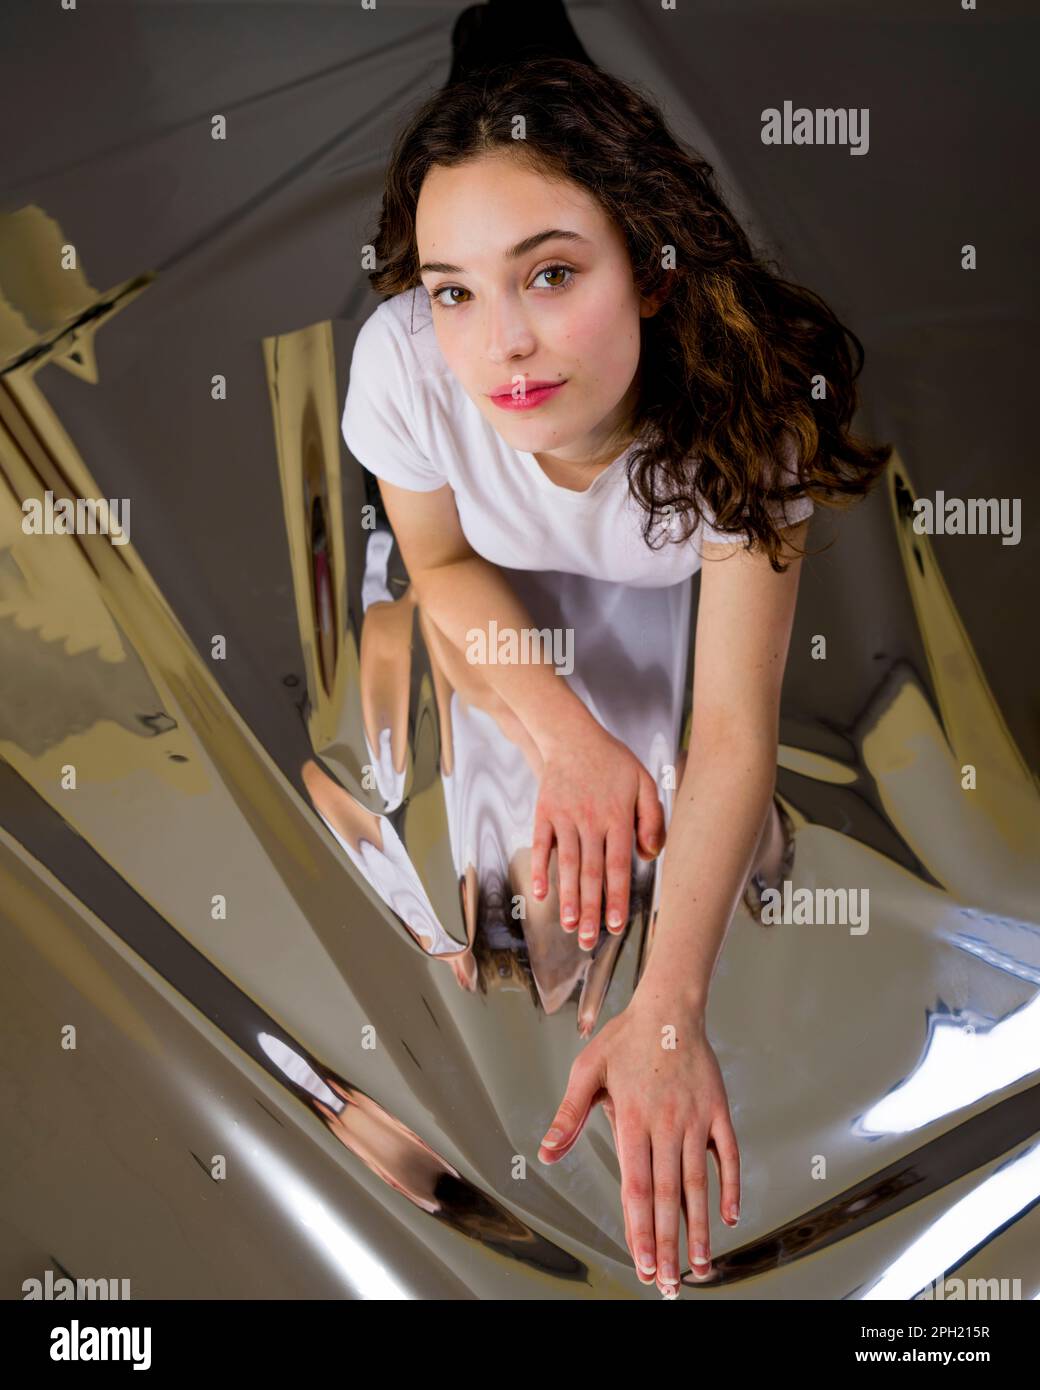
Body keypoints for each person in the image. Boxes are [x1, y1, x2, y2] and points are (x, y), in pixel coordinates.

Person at [340, 54, 891, 1296]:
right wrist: (567, 740)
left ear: (648, 266)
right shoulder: (403, 370)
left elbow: (735, 730)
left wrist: (666, 1006)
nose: (504, 345)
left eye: (548, 272)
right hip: (488, 628)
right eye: (453, 291)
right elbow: (433, 558)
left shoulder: (754, 425)